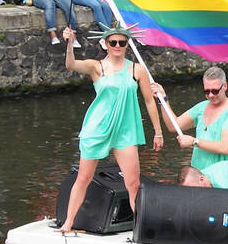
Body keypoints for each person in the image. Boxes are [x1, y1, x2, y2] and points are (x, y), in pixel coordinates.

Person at [58, 22, 163, 233]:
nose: (117, 45)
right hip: (97, 128)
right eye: (113, 42)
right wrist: (69, 43)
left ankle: (140, 228)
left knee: (133, 183)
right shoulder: (96, 67)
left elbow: (149, 101)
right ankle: (68, 223)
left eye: (122, 42)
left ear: (127, 44)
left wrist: (158, 131)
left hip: (125, 131)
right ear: (106, 44)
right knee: (83, 178)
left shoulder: (137, 69)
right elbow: (71, 65)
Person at [173, 66, 228, 170]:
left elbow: (225, 147)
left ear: (225, 86)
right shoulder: (201, 107)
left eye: (215, 91)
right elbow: (174, 126)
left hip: (225, 179)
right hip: (201, 177)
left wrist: (194, 141)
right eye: (206, 91)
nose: (211, 95)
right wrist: (163, 99)